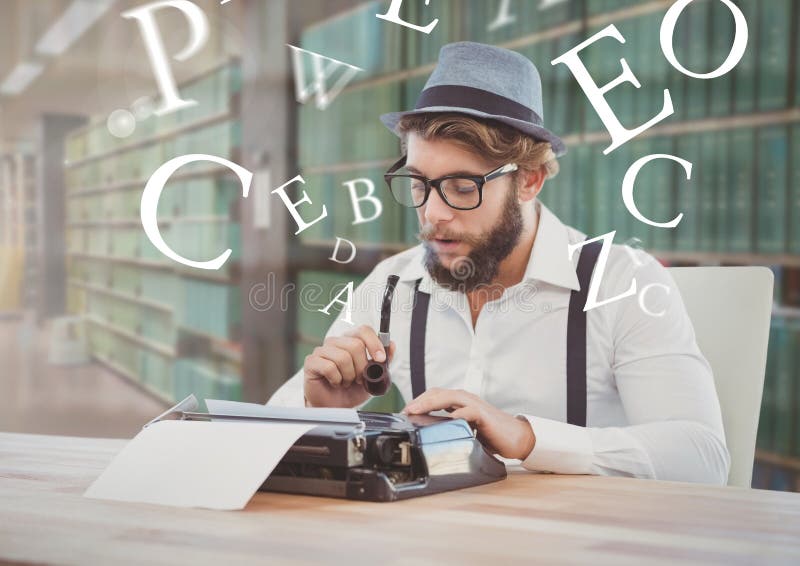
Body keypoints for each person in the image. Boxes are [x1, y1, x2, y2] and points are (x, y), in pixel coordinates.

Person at [268, 41, 730, 485]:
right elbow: (264, 435)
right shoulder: (392, 284)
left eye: (463, 188)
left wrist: (528, 438)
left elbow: (702, 457)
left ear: (528, 181)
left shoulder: (623, 280)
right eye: (418, 184)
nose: (433, 213)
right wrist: (322, 412)